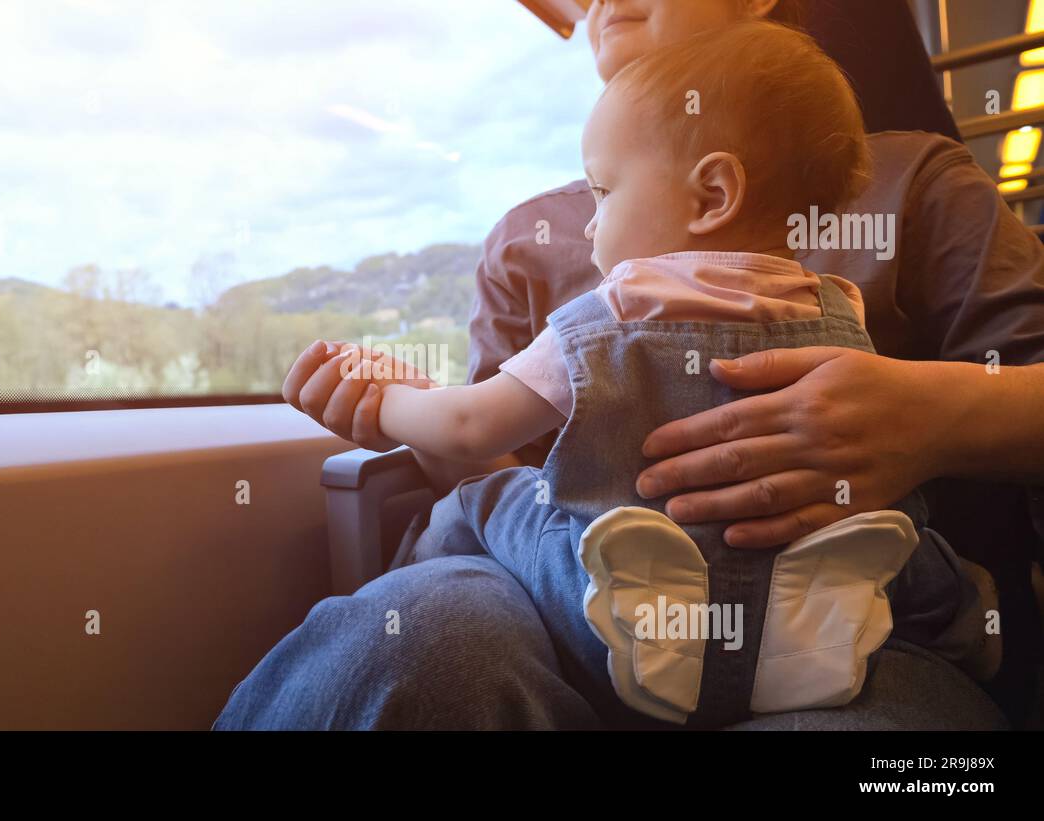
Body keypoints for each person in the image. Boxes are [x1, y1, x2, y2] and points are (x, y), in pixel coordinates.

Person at [217, 0, 1044, 730]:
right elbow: (485, 444)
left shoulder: (921, 180)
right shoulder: (525, 235)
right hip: (571, 606)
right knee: (411, 649)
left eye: (606, 193)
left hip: (849, 634)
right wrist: (419, 414)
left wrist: (931, 415)